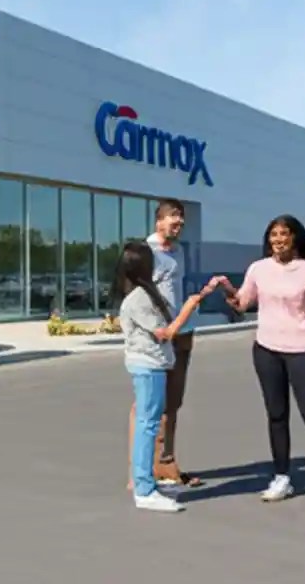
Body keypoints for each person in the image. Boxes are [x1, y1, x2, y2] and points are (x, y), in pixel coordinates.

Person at [215, 214, 305, 511]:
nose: (277, 240)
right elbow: (243, 303)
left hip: (303, 350)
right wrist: (227, 288)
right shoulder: (258, 269)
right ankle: (281, 478)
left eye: (284, 234)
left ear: (295, 237)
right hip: (266, 350)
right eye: (273, 235)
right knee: (276, 415)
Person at [114, 240, 217, 513]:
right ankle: (144, 489)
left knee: (150, 422)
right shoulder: (137, 299)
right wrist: (189, 308)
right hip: (147, 366)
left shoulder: (147, 293)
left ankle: (146, 482)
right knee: (148, 425)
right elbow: (166, 333)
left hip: (155, 364)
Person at [127, 198, 203, 490]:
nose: (179, 221)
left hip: (181, 331)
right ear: (158, 221)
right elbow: (133, 296)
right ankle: (138, 473)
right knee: (146, 405)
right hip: (154, 335)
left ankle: (166, 464)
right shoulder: (144, 252)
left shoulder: (179, 252)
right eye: (173, 216)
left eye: (181, 217)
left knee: (173, 402)